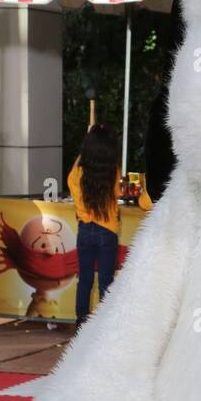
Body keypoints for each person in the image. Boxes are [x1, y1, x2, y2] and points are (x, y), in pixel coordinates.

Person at [67, 123, 121, 326]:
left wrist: (84, 146)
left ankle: (81, 322)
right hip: (108, 233)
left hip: (84, 231)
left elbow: (71, 175)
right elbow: (118, 194)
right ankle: (104, 324)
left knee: (85, 280)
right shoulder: (114, 173)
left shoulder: (78, 175)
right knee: (106, 281)